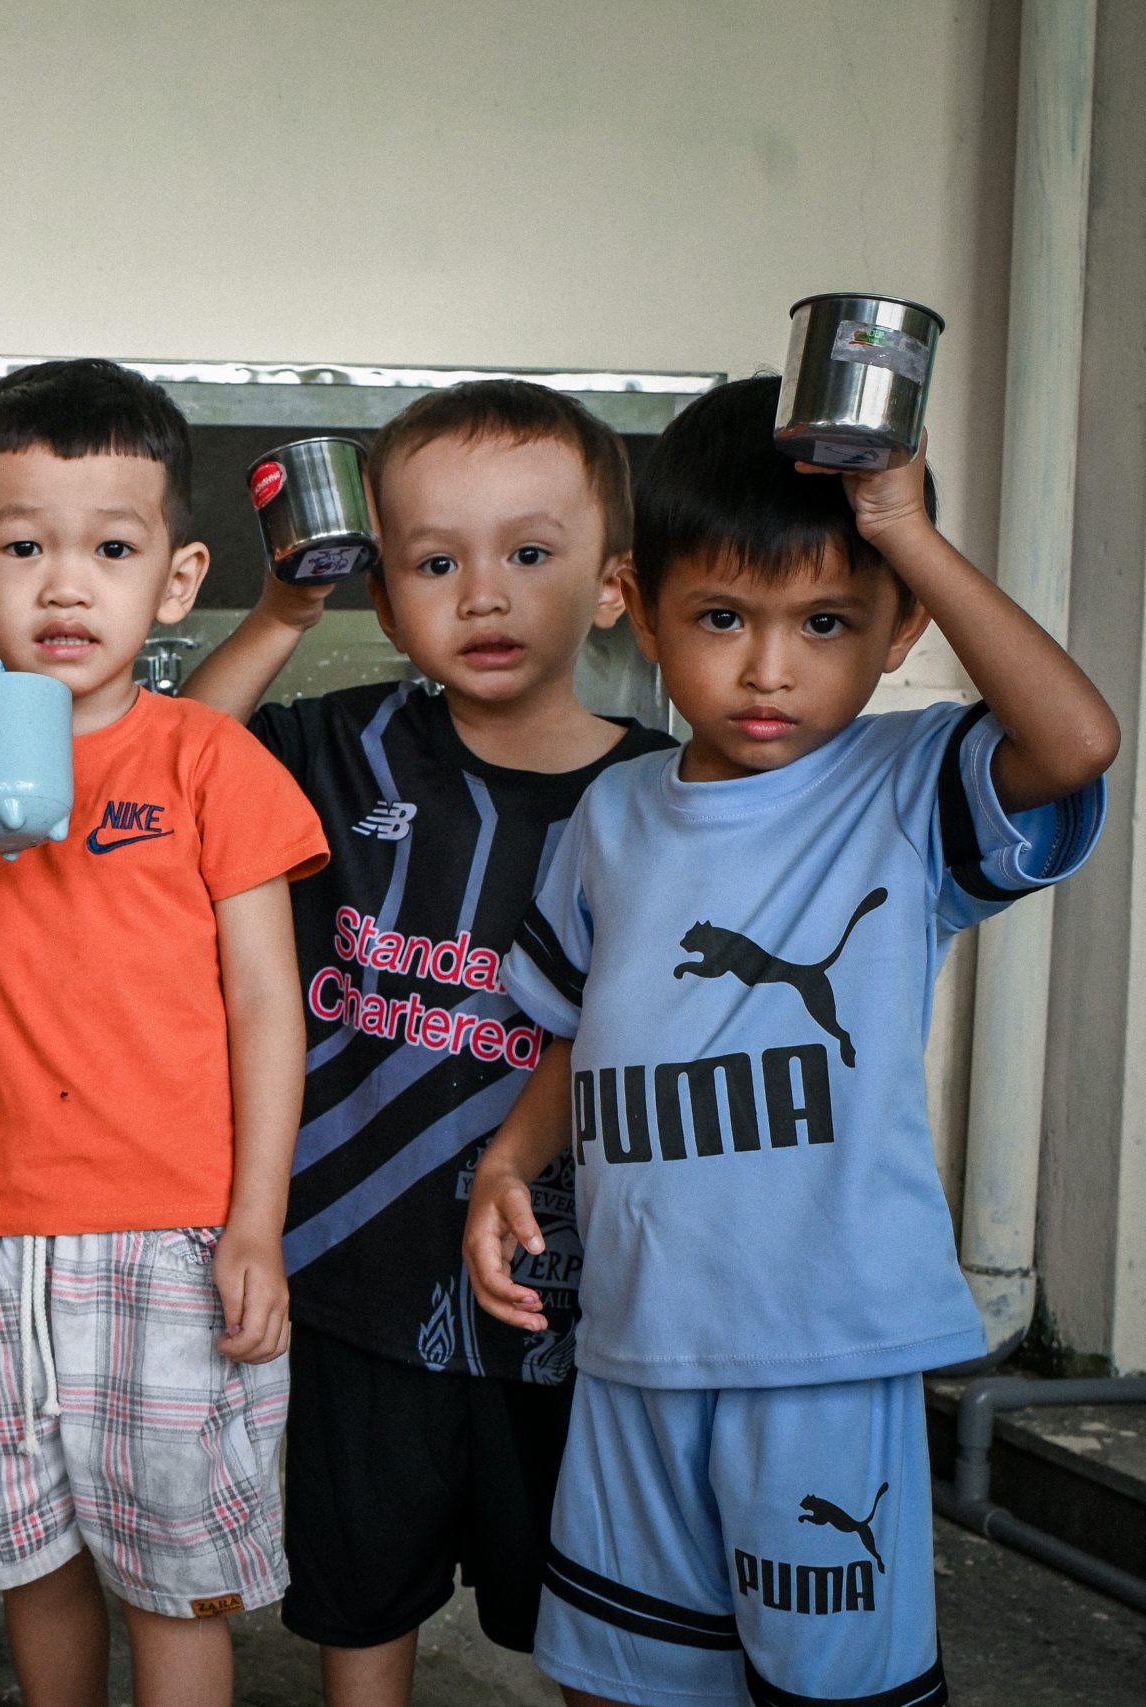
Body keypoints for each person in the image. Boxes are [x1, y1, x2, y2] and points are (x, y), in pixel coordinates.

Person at [467, 375, 1117, 1707]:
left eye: (825, 620)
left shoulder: (901, 785)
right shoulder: (613, 813)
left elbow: (1076, 740)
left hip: (821, 1347)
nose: (768, 667)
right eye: (721, 618)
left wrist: (906, 525)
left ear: (898, 628)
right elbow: (582, 1025)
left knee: (829, 1687)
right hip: (637, 1338)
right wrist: (506, 1164)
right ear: (642, 609)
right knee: (622, 1676)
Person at [183, 379, 673, 1705]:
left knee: (594, 1626)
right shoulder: (339, 751)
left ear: (616, 582)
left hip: (568, 1297)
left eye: (531, 551)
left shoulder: (669, 797)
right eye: (436, 562)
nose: (487, 594)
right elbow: (169, 767)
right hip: (355, 1273)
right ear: (387, 602)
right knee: (363, 1609)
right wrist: (288, 608)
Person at [0, 358, 324, 1707]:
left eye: (111, 548)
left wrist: (254, 1222)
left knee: (175, 1574)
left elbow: (263, 1004)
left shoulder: (210, 762)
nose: (66, 585)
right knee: (32, 1555)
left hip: (175, 1231)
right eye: (23, 546)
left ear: (174, 581)